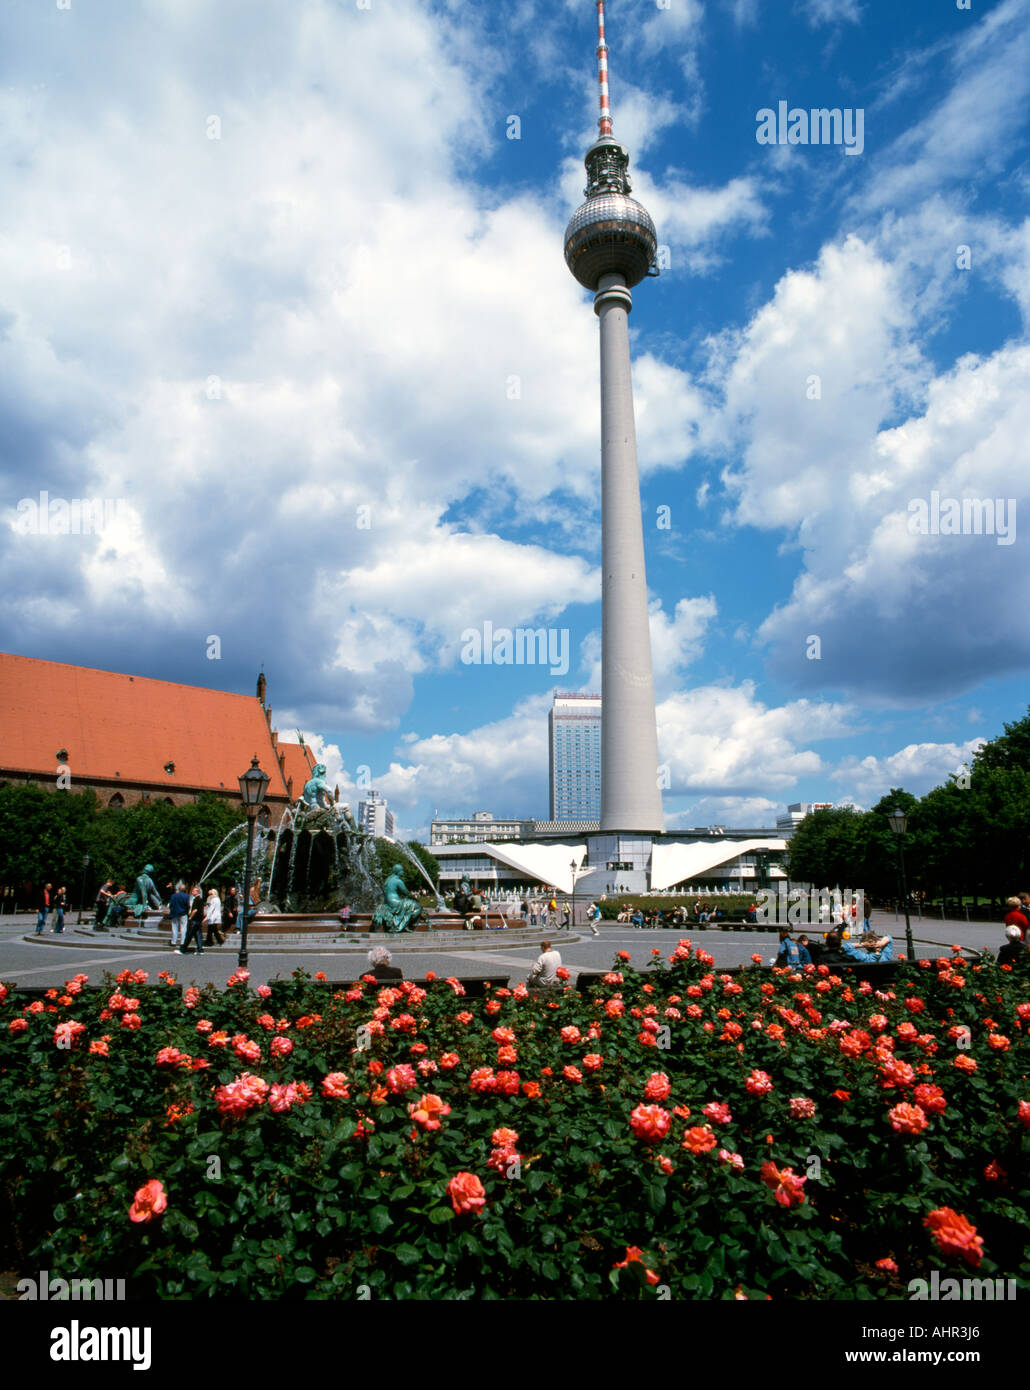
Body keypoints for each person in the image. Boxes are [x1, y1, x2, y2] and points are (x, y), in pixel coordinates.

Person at [180, 885, 205, 955]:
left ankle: (183, 949)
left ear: (197, 892)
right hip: (199, 920)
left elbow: (195, 910)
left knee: (189, 935)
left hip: (194, 920)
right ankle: (200, 950)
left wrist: (190, 917)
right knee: (198, 935)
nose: (192, 892)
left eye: (193, 891)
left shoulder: (196, 899)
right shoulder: (200, 899)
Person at [168, 882, 190, 950]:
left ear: (179, 889)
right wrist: (187, 911)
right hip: (183, 913)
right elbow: (188, 905)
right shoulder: (187, 896)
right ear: (184, 889)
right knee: (184, 928)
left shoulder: (174, 896)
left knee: (174, 927)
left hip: (175, 913)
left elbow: (170, 904)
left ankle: (173, 942)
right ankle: (182, 942)